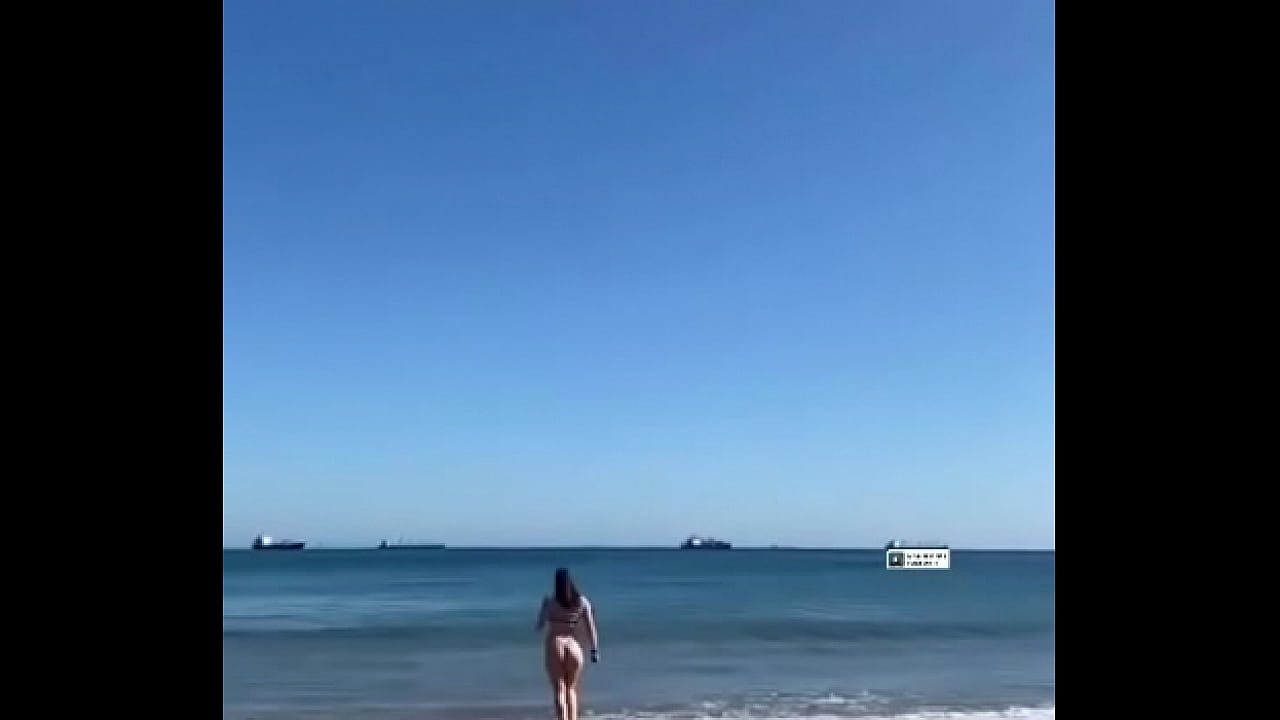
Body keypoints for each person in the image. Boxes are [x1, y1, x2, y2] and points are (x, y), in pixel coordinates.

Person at [535, 567, 599, 720]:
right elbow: (591, 628)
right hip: (573, 646)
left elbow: (539, 626)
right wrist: (594, 650)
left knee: (559, 689)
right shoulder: (582, 601)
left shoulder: (549, 601)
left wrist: (544, 613)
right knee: (571, 689)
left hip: (555, 643)